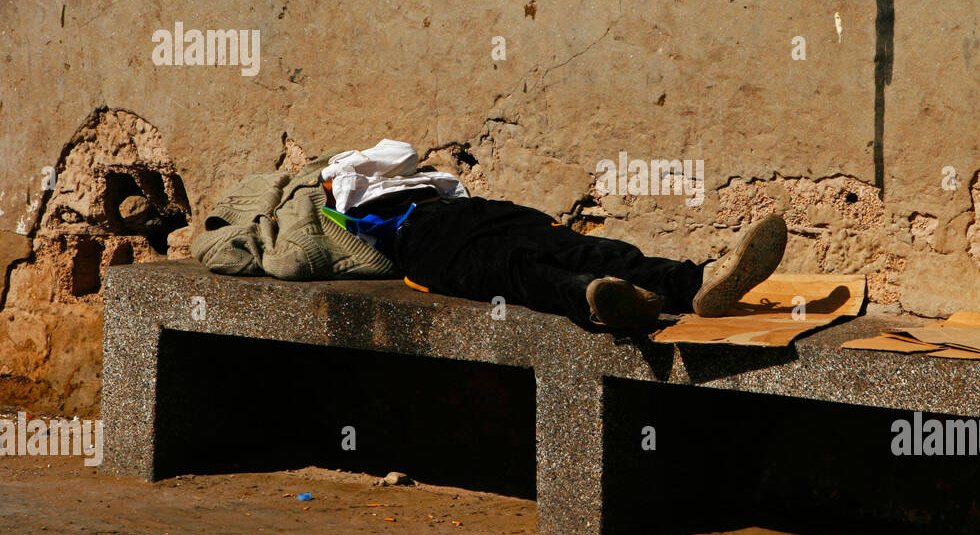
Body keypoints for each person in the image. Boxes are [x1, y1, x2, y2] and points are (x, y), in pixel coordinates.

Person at [195, 139, 787, 330]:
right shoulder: (306, 214)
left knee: (575, 243)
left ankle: (696, 283)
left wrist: (333, 170)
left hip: (469, 210)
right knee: (510, 273)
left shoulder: (342, 169)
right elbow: (251, 251)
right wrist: (308, 200)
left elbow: (400, 151)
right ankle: (601, 301)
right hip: (418, 241)